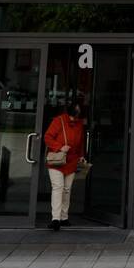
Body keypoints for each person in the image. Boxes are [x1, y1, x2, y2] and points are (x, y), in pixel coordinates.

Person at [43, 96, 86, 231]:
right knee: (58, 187)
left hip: (72, 161)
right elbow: (47, 137)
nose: (78, 110)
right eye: (77, 107)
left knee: (67, 190)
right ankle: (55, 219)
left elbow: (81, 142)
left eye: (79, 108)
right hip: (57, 160)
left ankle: (64, 217)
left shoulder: (79, 124)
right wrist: (60, 147)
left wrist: (81, 156)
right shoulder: (58, 121)